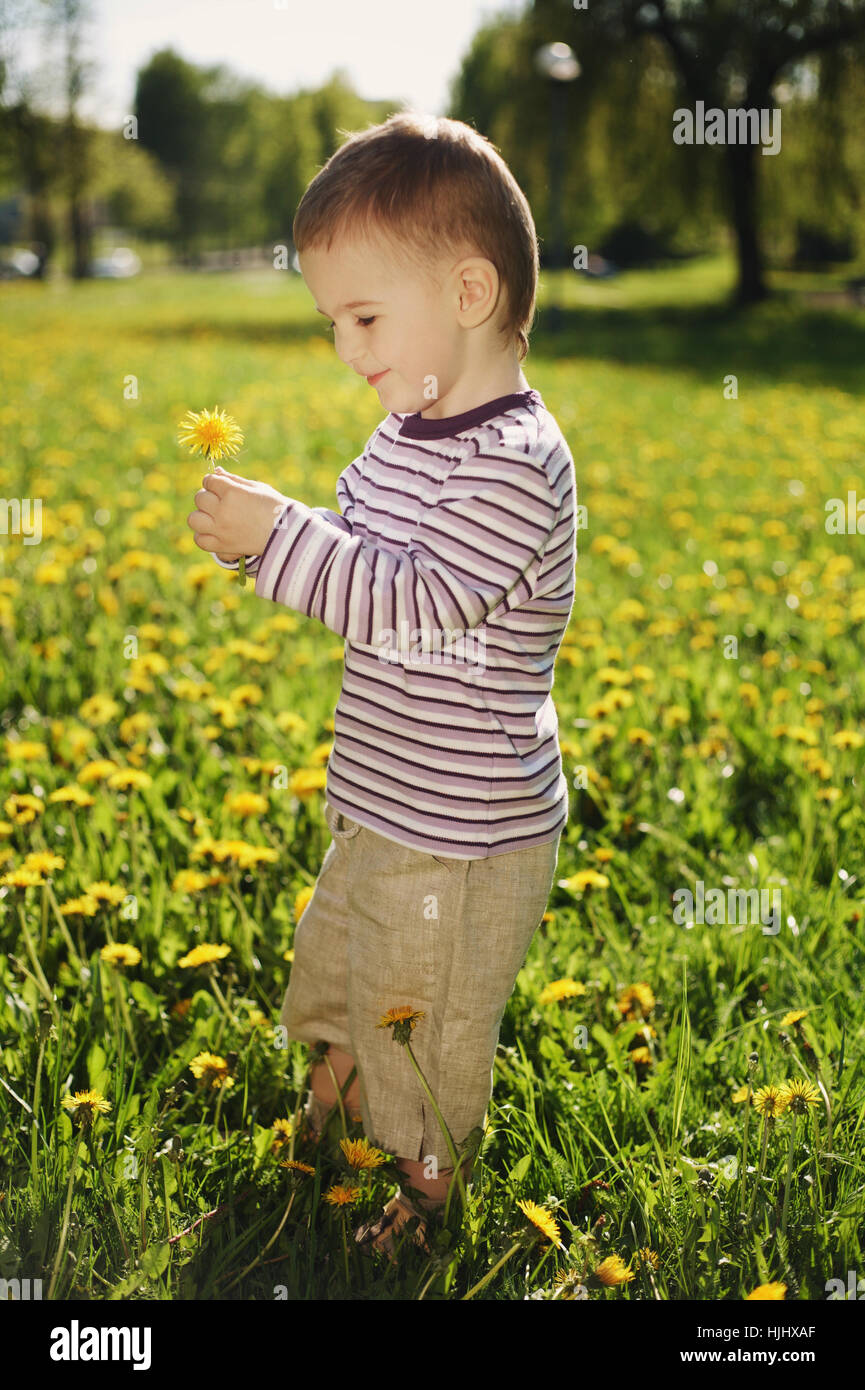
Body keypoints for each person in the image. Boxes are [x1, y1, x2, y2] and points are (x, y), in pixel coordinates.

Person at [187, 111, 577, 1261]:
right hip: (381, 799)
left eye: (364, 317)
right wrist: (283, 535)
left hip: (463, 833)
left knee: (428, 1019)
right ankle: (335, 1105)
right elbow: (357, 542)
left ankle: (421, 1191)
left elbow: (415, 599)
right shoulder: (407, 429)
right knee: (344, 962)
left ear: (467, 295)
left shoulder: (516, 464)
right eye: (332, 323)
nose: (348, 349)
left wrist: (277, 543)